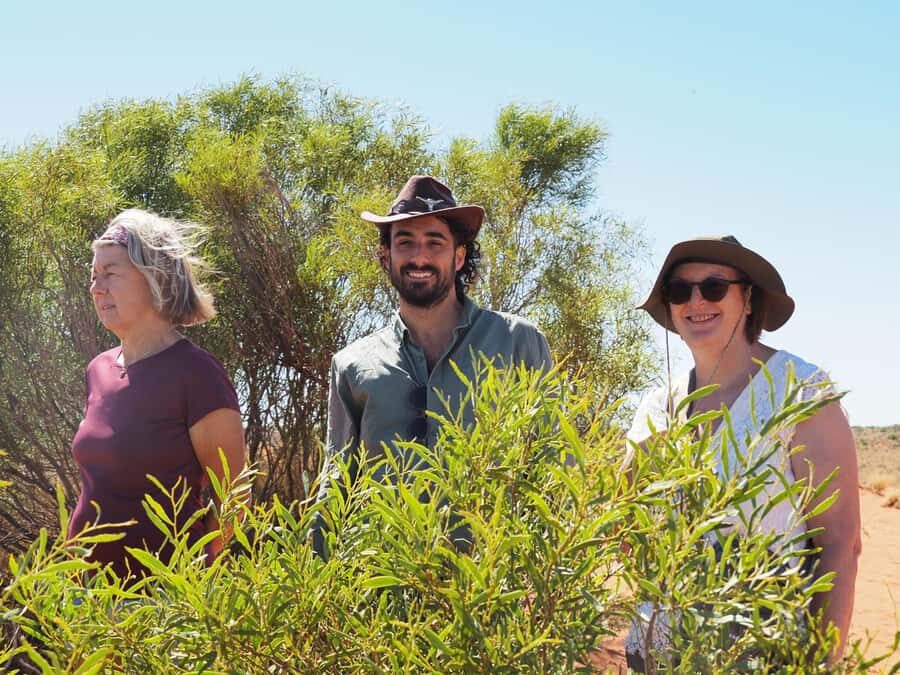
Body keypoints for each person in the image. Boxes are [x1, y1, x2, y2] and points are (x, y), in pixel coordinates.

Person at [623, 235, 861, 669]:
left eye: (714, 287)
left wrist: (821, 662)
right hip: (657, 648)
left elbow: (841, 544)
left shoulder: (799, 390)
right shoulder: (656, 406)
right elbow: (630, 532)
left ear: (747, 299)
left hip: (765, 650)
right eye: (680, 291)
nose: (696, 301)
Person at [314, 176, 552, 547]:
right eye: (404, 243)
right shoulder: (353, 365)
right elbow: (337, 485)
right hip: (388, 586)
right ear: (385, 257)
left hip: (493, 588)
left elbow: (553, 462)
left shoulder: (517, 342)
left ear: (459, 256)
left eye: (434, 243)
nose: (419, 257)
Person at [68, 209, 246, 578]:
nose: (96, 287)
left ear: (155, 278)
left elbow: (235, 498)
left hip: (160, 611)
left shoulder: (197, 374)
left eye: (111, 273)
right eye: (93, 276)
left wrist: (197, 588)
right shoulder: (98, 370)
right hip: (87, 604)